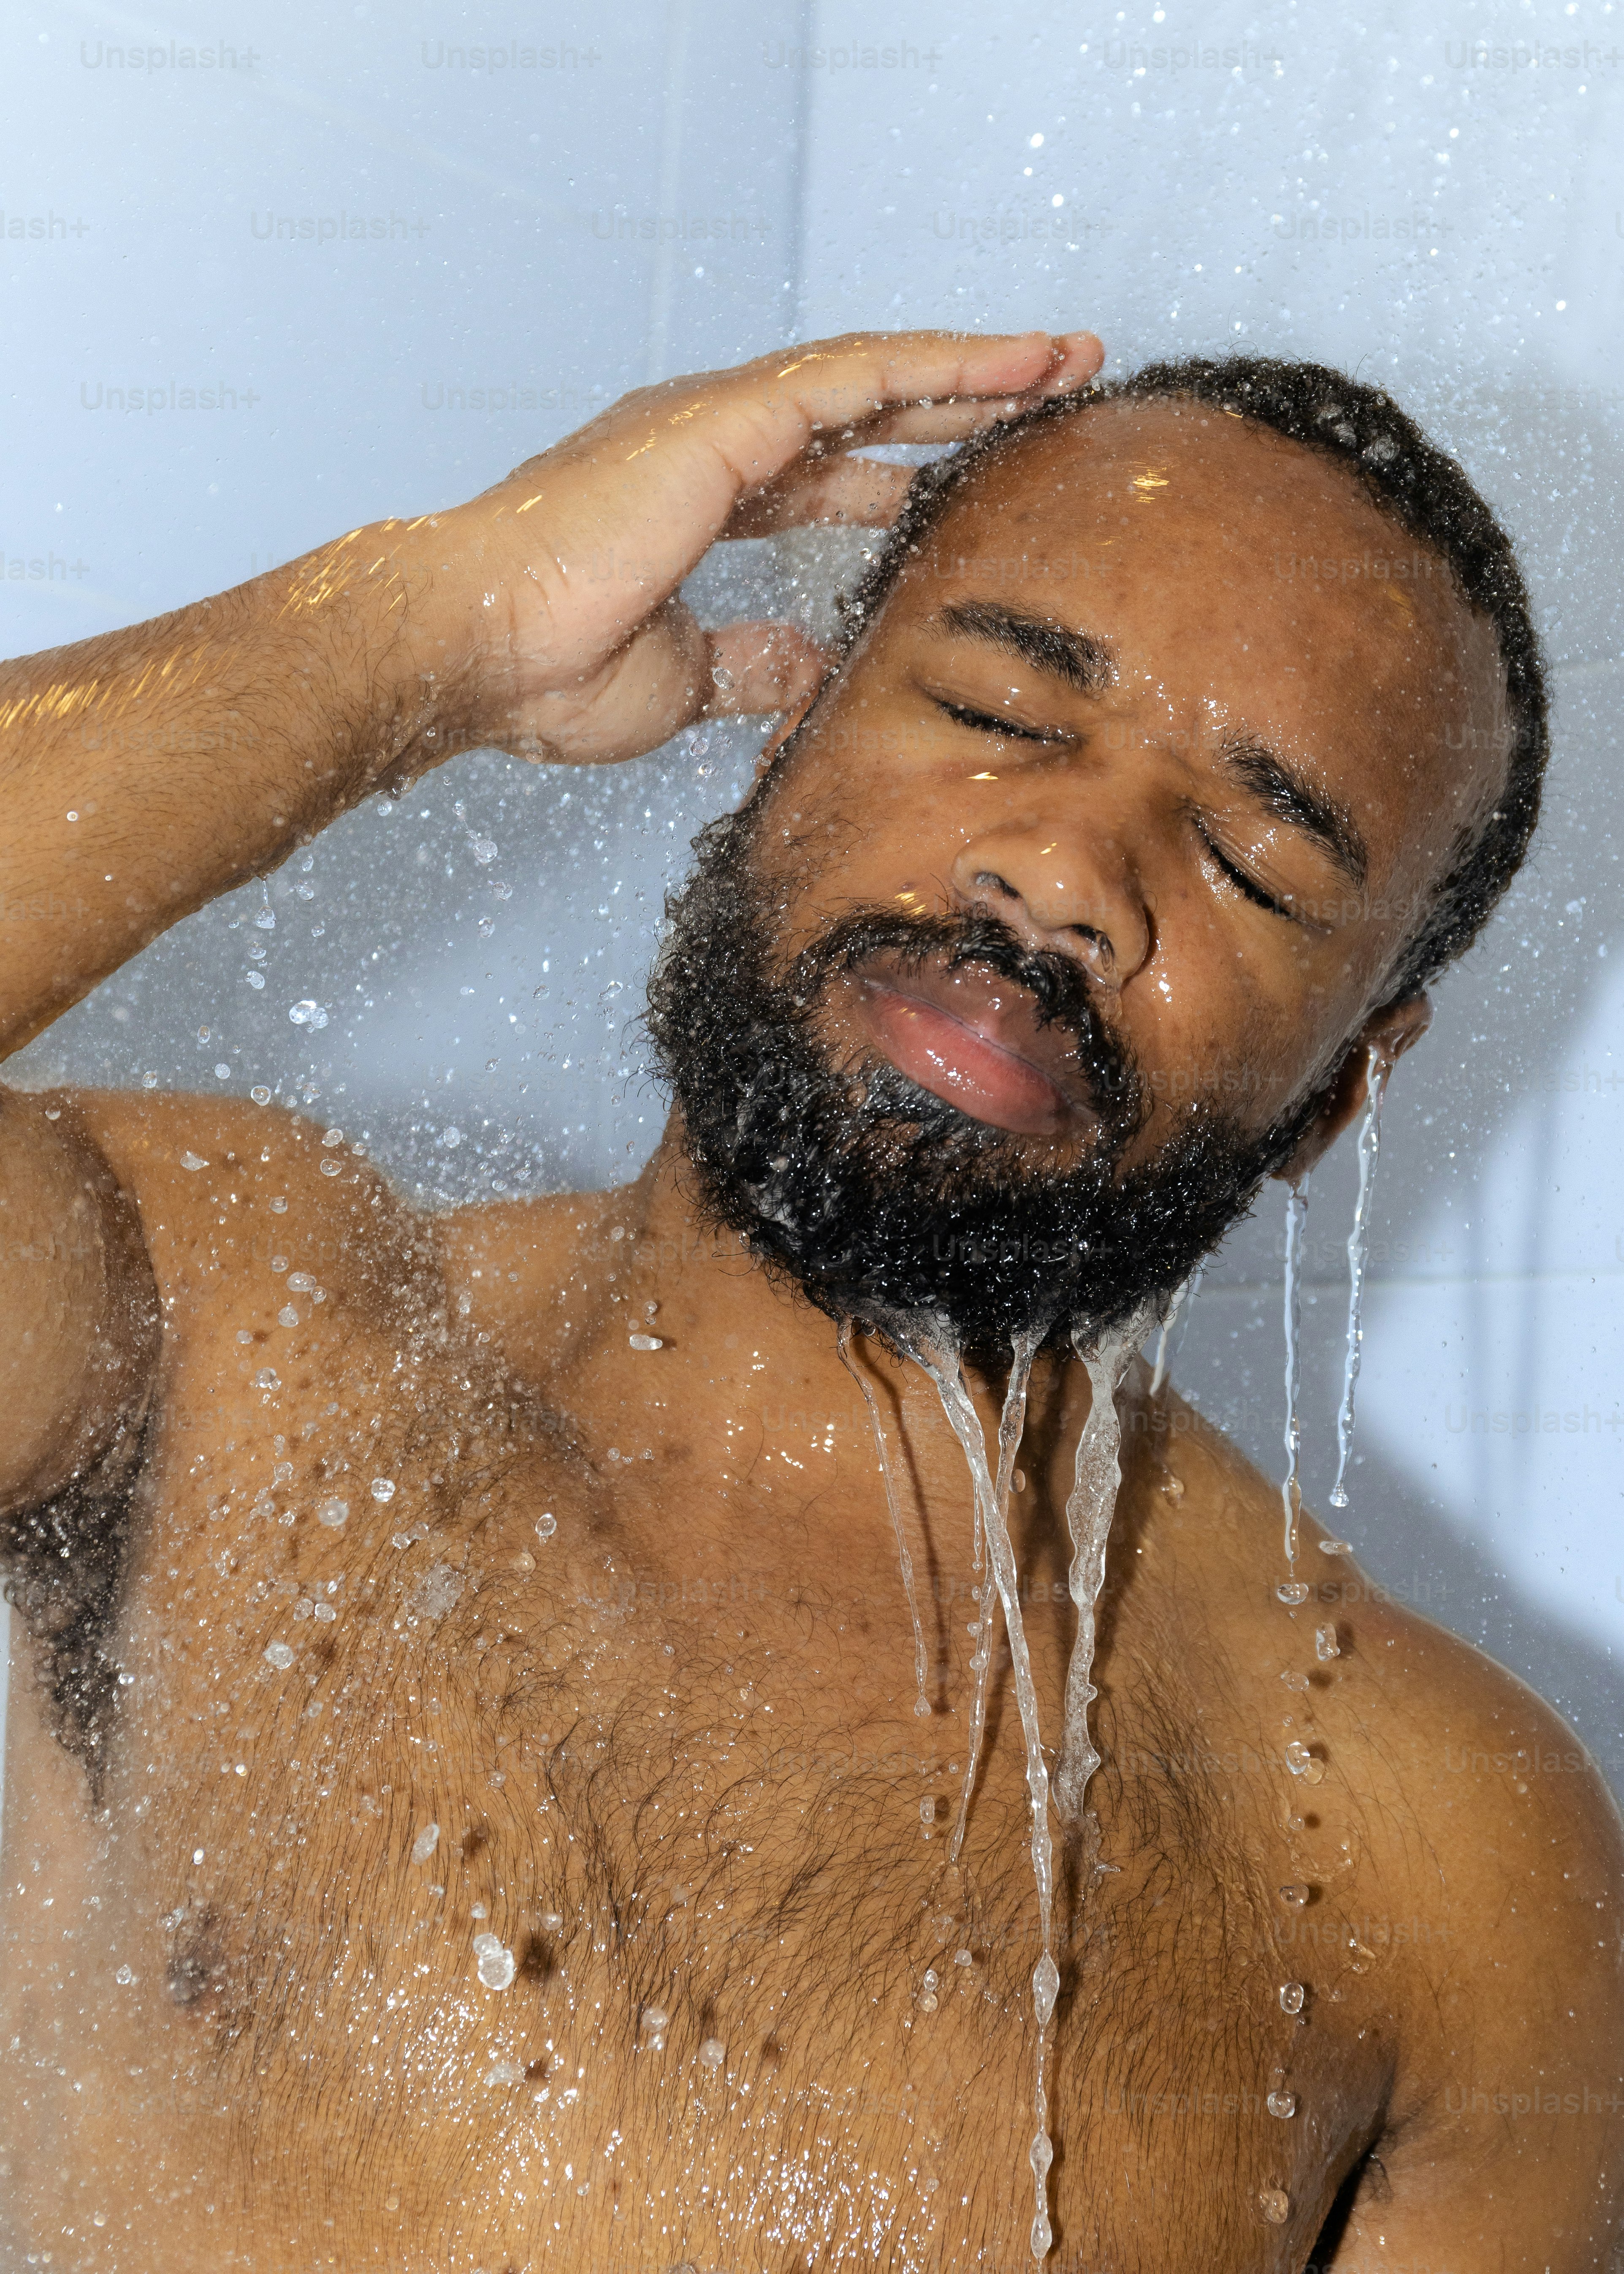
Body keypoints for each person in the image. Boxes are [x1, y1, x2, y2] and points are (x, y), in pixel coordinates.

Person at [0, 327, 1618, 2273]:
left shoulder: (1439, 1852)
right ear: (790, 723)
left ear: (1341, 1086)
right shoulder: (227, 1322)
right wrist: (432, 628)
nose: (1065, 871)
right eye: (1001, 708)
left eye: (1253, 868)